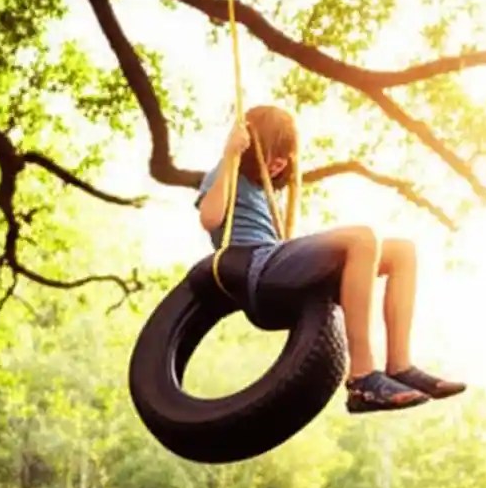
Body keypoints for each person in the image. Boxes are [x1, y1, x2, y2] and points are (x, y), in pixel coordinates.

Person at [195, 105, 466, 413]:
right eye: (273, 150)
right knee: (362, 238)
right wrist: (230, 156)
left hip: (276, 263)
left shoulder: (263, 190)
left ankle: (399, 366)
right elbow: (209, 217)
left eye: (286, 155)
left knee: (402, 252)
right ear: (250, 144)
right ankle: (363, 378)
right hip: (258, 272)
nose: (280, 161)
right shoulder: (225, 172)